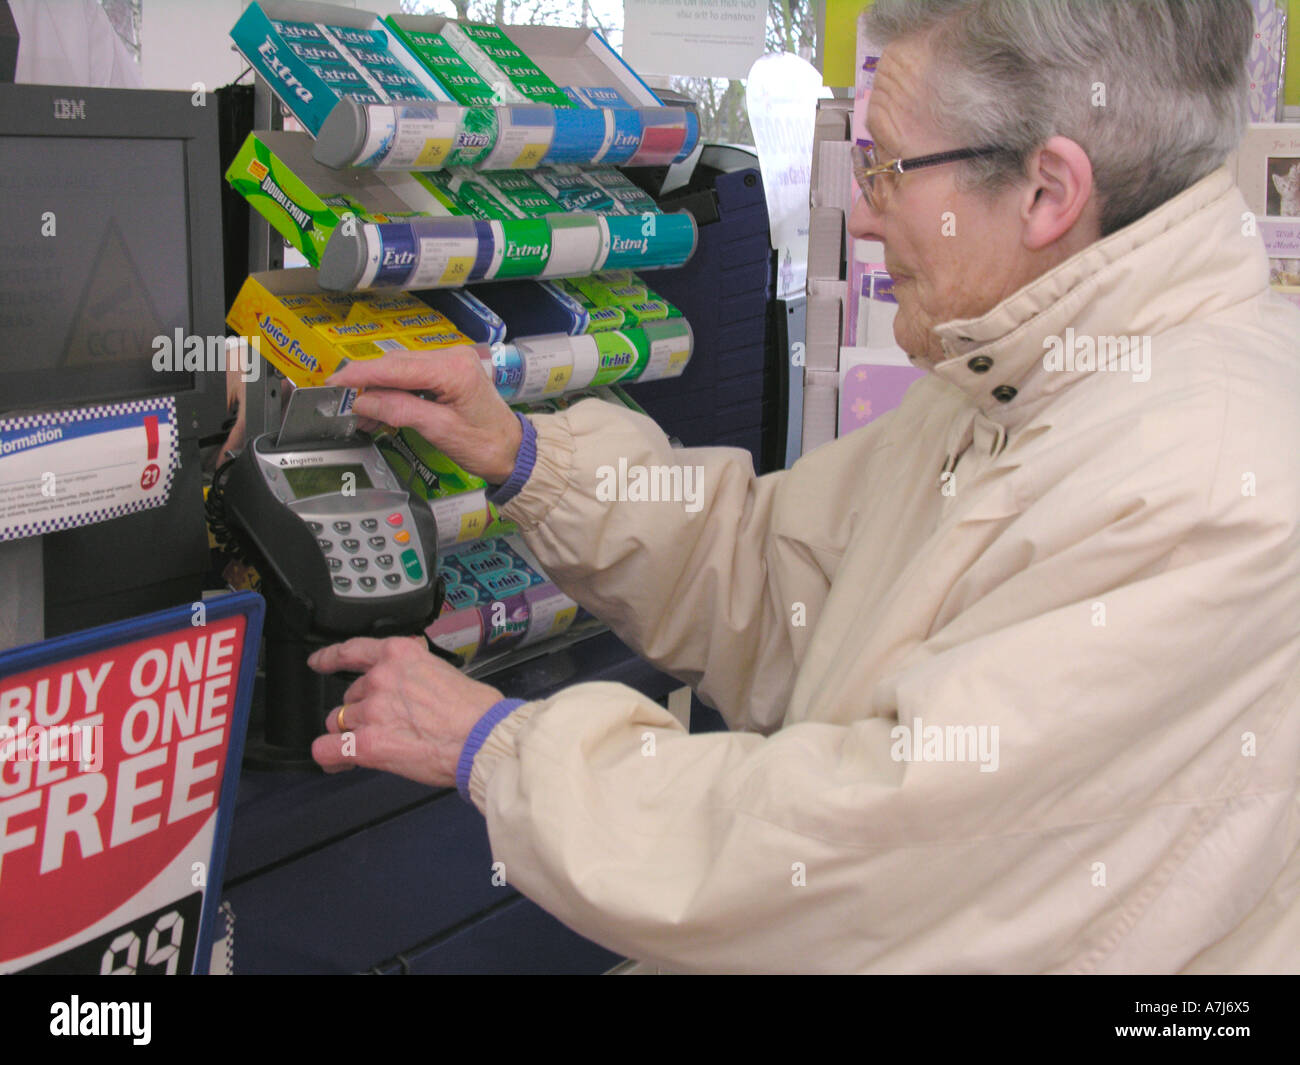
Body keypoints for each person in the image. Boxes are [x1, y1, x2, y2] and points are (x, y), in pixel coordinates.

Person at [309, 0, 1300, 973]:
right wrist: (525, 455)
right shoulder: (1025, 375)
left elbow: (872, 854)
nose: (861, 213)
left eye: (886, 167)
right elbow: (778, 577)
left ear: (1047, 192)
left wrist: (501, 747)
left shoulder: (1202, 487)